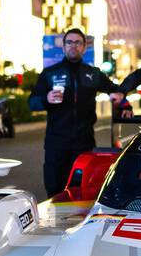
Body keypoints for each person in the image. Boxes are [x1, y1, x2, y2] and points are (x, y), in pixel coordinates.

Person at [28, 27, 125, 197]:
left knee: (82, 190)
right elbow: (32, 103)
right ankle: (55, 222)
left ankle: (81, 223)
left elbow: (115, 91)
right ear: (64, 47)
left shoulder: (93, 74)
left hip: (83, 142)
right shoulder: (50, 73)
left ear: (84, 47)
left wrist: (125, 105)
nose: (74, 46)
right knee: (55, 188)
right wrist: (46, 99)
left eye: (78, 42)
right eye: (69, 42)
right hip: (56, 142)